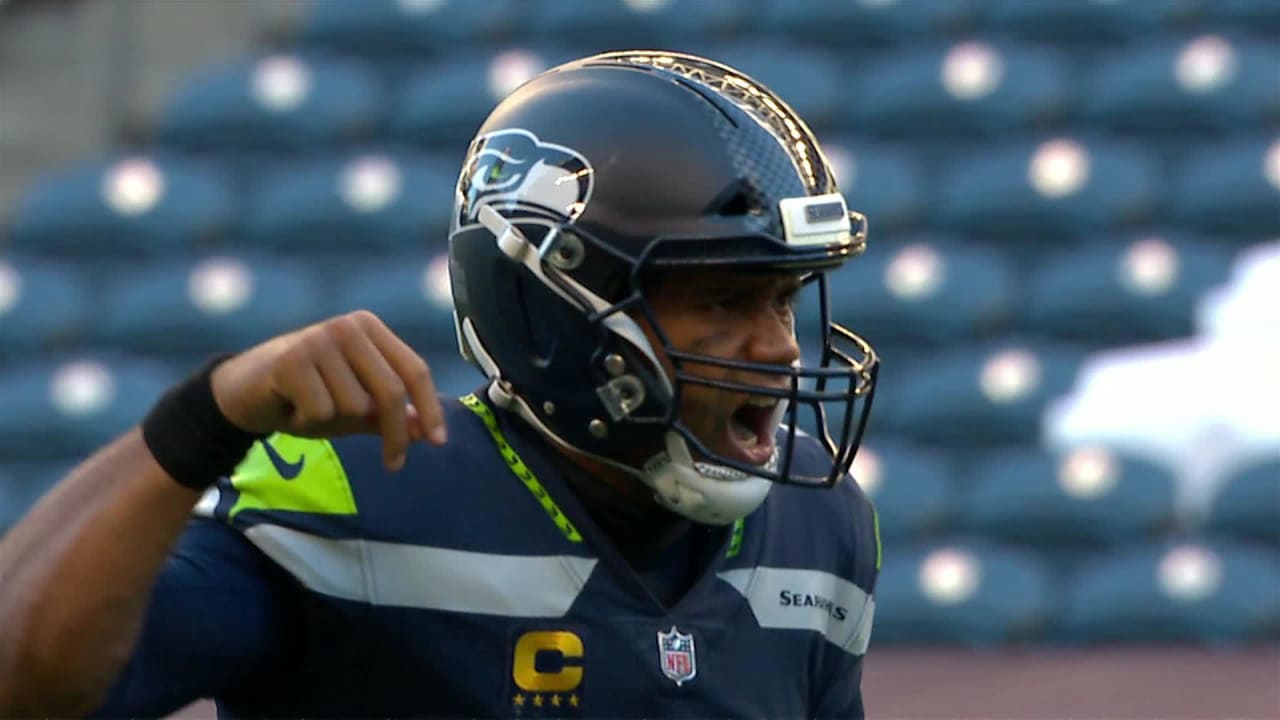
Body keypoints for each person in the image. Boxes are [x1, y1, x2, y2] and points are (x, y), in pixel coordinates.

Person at [0, 50, 881, 719]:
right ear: (551, 311)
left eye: (784, 299)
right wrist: (205, 420)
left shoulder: (820, 526)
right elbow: (26, 684)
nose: (778, 349)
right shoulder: (368, 499)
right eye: (726, 300)